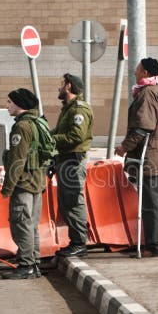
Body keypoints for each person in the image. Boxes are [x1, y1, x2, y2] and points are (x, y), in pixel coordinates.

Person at [115, 58, 158, 257]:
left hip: (151, 155)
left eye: (138, 69)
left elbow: (143, 127)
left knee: (152, 203)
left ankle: (156, 245)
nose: (135, 73)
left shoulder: (148, 93)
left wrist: (124, 147)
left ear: (146, 73)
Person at [0, 88, 46, 279]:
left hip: (24, 182)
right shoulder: (37, 122)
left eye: (9, 102)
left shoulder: (21, 127)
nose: (6, 105)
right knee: (31, 224)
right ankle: (33, 263)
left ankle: (26, 264)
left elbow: (17, 160)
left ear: (19, 104)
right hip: (36, 180)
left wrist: (7, 187)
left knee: (21, 223)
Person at [52, 73, 94, 258]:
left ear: (69, 86)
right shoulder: (68, 109)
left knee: (74, 202)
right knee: (66, 202)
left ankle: (79, 243)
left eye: (62, 84)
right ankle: (75, 241)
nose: (59, 87)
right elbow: (60, 132)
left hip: (73, 161)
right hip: (65, 160)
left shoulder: (79, 110)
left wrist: (51, 139)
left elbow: (76, 137)